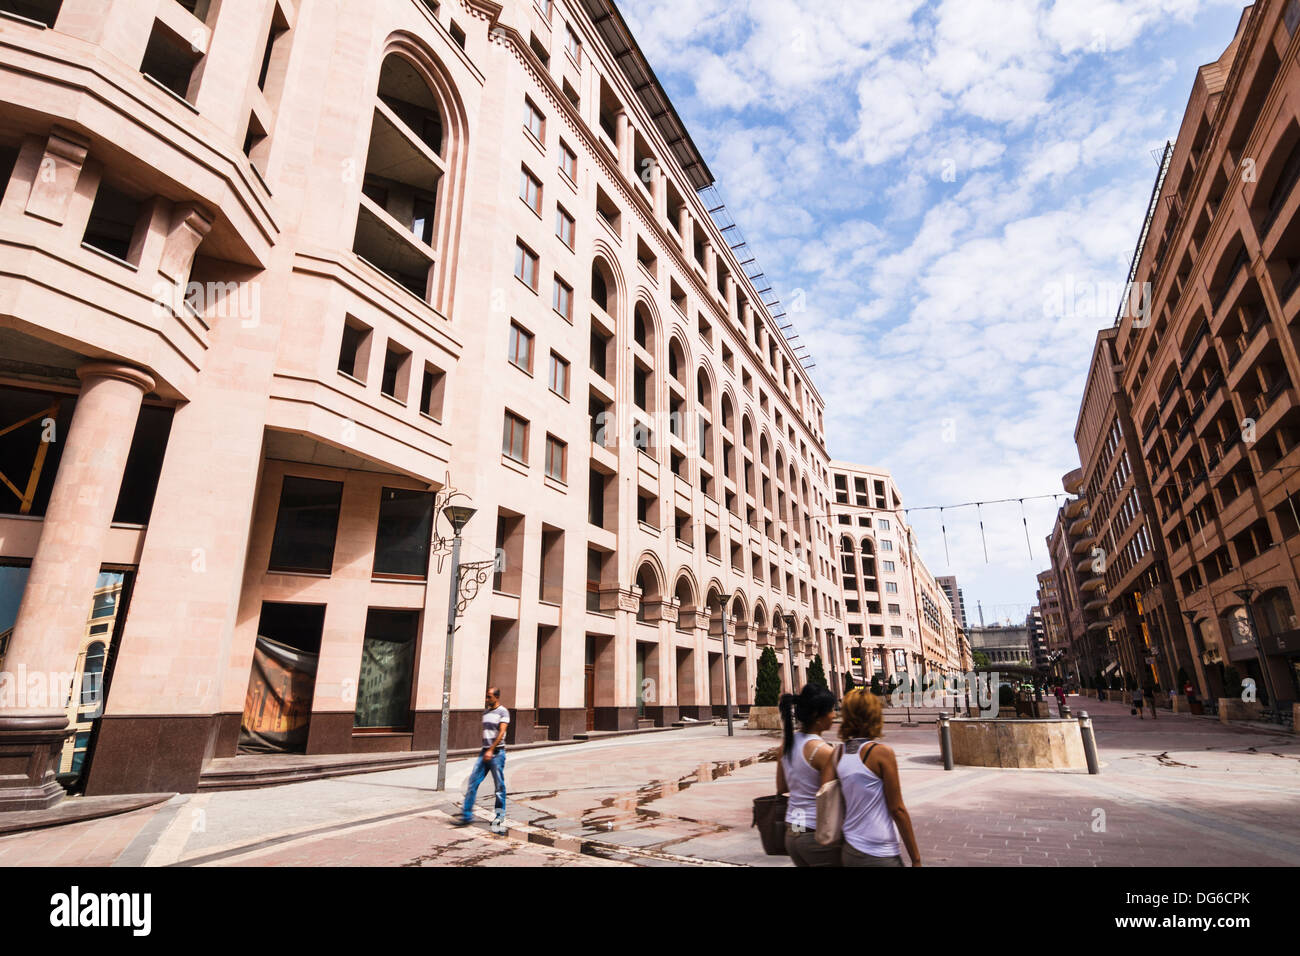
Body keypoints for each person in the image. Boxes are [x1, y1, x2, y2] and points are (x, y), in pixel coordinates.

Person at [825, 688, 921, 867]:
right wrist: (916, 859)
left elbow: (825, 794)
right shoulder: (881, 753)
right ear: (874, 715)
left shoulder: (837, 753)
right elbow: (897, 809)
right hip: (879, 851)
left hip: (850, 848)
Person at [775, 683, 839, 866]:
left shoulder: (786, 745)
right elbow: (828, 798)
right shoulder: (823, 752)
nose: (834, 715)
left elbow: (781, 788)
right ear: (816, 716)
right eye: (831, 710)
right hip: (815, 834)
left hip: (793, 831)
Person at [457, 687, 509, 832]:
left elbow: (502, 732)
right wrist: (486, 750)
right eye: (486, 697)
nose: (486, 700)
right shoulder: (486, 712)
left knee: (499, 786)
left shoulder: (503, 712)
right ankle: (466, 816)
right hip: (484, 752)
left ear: (496, 697)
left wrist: (491, 749)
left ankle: (499, 817)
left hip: (497, 753)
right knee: (472, 782)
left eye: (489, 697)